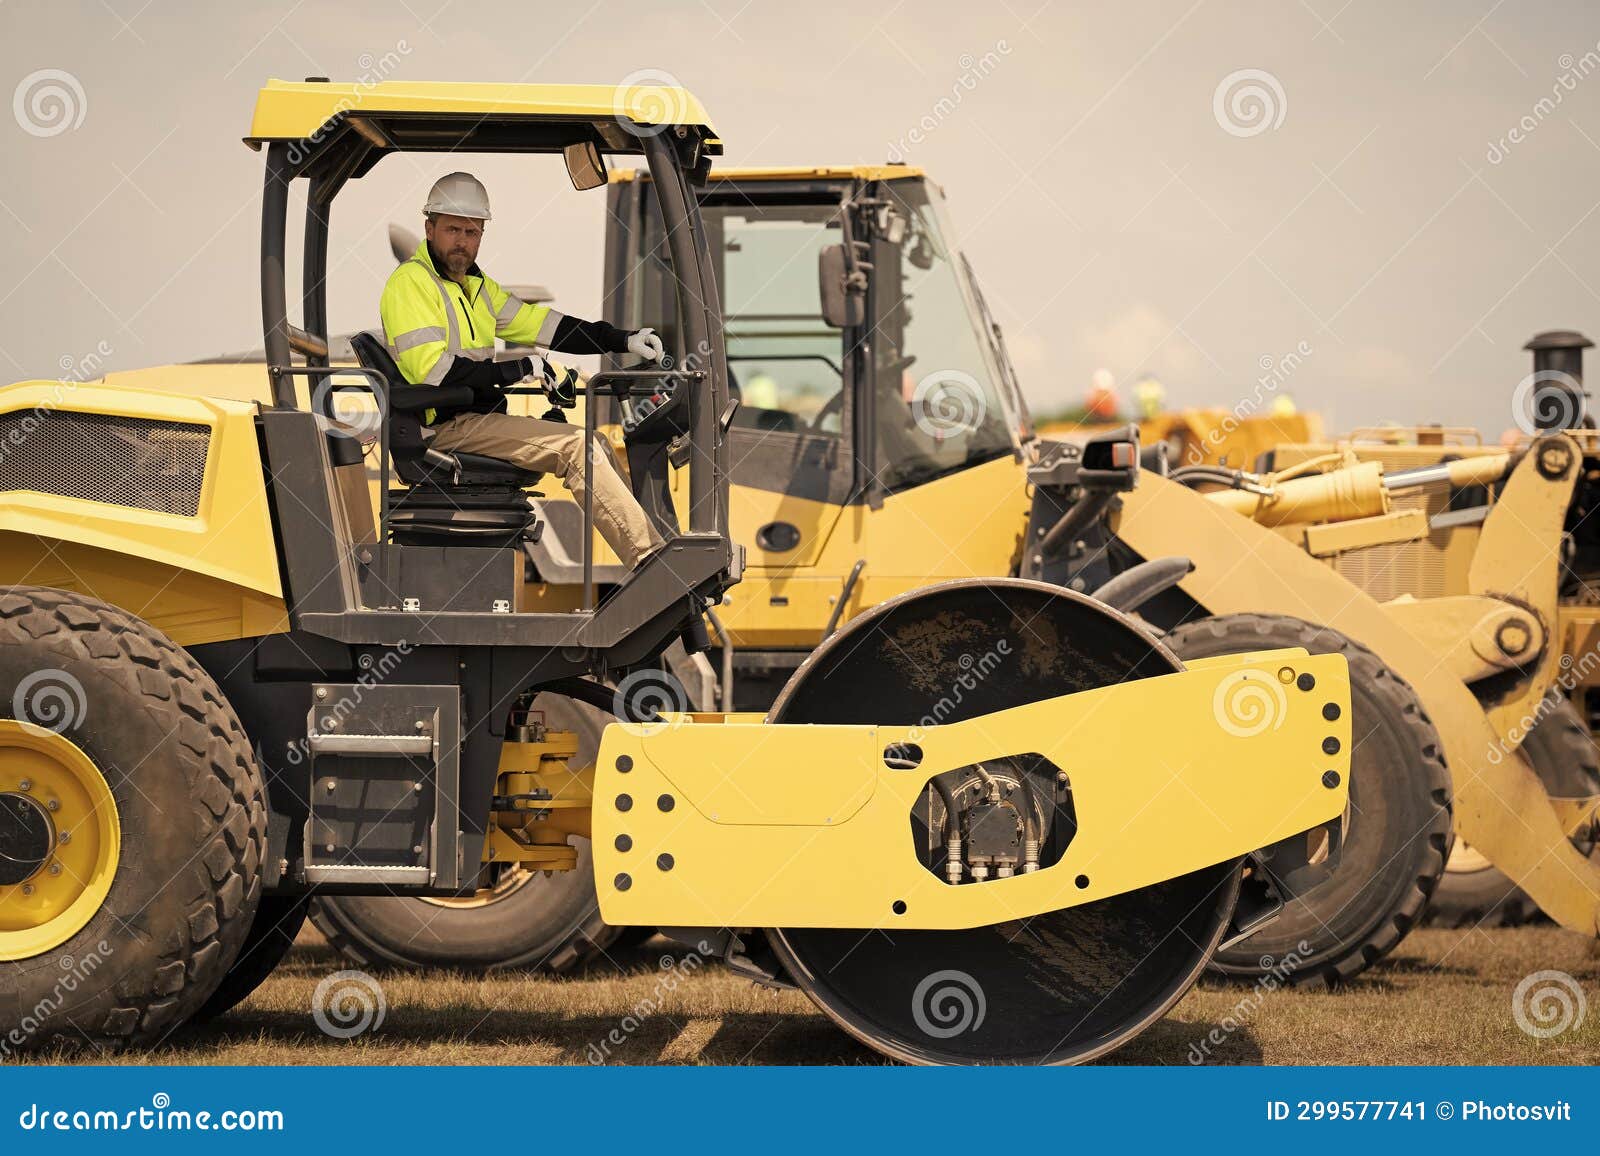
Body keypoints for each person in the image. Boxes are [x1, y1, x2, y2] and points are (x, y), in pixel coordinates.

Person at [380, 172, 665, 568]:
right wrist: (524, 367)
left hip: (475, 421)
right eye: (452, 229)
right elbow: (435, 373)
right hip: (444, 426)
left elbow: (544, 325)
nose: (462, 241)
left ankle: (650, 545)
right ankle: (652, 562)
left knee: (595, 443)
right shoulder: (411, 284)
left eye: (472, 231)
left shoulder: (475, 286)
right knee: (577, 450)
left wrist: (622, 339)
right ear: (429, 228)